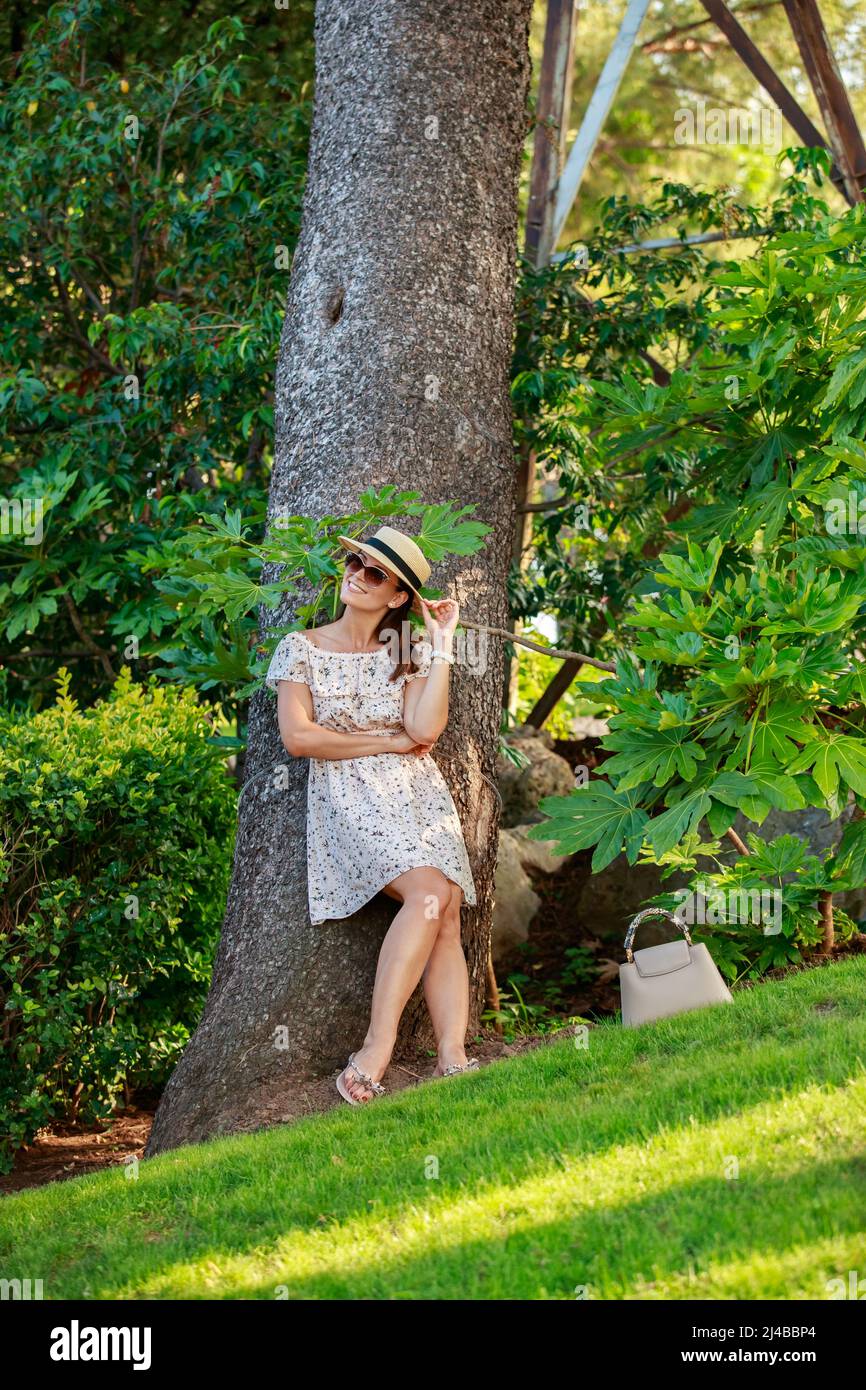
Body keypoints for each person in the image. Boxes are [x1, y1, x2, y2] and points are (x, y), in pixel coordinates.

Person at [266, 525, 479, 1105]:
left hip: (416, 794)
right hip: (350, 795)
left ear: (398, 596)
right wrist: (384, 743)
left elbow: (424, 728)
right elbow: (299, 738)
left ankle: (453, 1056)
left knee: (446, 906)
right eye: (356, 563)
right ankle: (375, 1048)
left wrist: (442, 644)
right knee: (429, 892)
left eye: (375, 573)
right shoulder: (301, 647)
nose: (357, 576)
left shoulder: (406, 651)